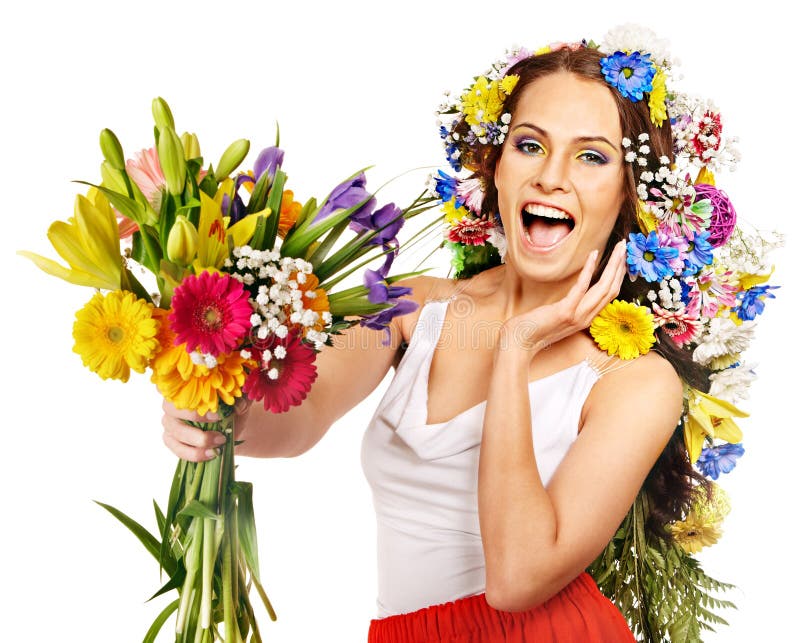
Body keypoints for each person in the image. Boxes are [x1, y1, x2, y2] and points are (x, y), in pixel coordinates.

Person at [160, 33, 741, 642]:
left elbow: (517, 580)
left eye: (591, 157)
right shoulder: (414, 306)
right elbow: (296, 420)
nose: (550, 176)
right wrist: (218, 416)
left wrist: (514, 350)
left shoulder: (635, 382)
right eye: (529, 144)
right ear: (496, 165)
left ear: (629, 193)